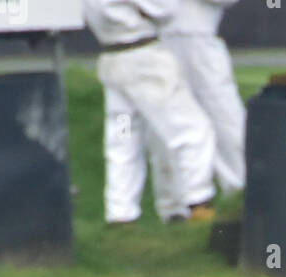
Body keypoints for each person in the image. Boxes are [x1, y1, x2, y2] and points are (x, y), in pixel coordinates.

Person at [83, 0, 216, 224]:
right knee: (192, 130)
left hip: (113, 58)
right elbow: (166, 9)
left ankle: (120, 214)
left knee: (123, 138)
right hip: (145, 61)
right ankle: (198, 202)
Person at [159, 0, 245, 200]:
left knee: (226, 119)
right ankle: (175, 204)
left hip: (198, 38)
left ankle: (239, 189)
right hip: (151, 42)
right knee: (162, 125)